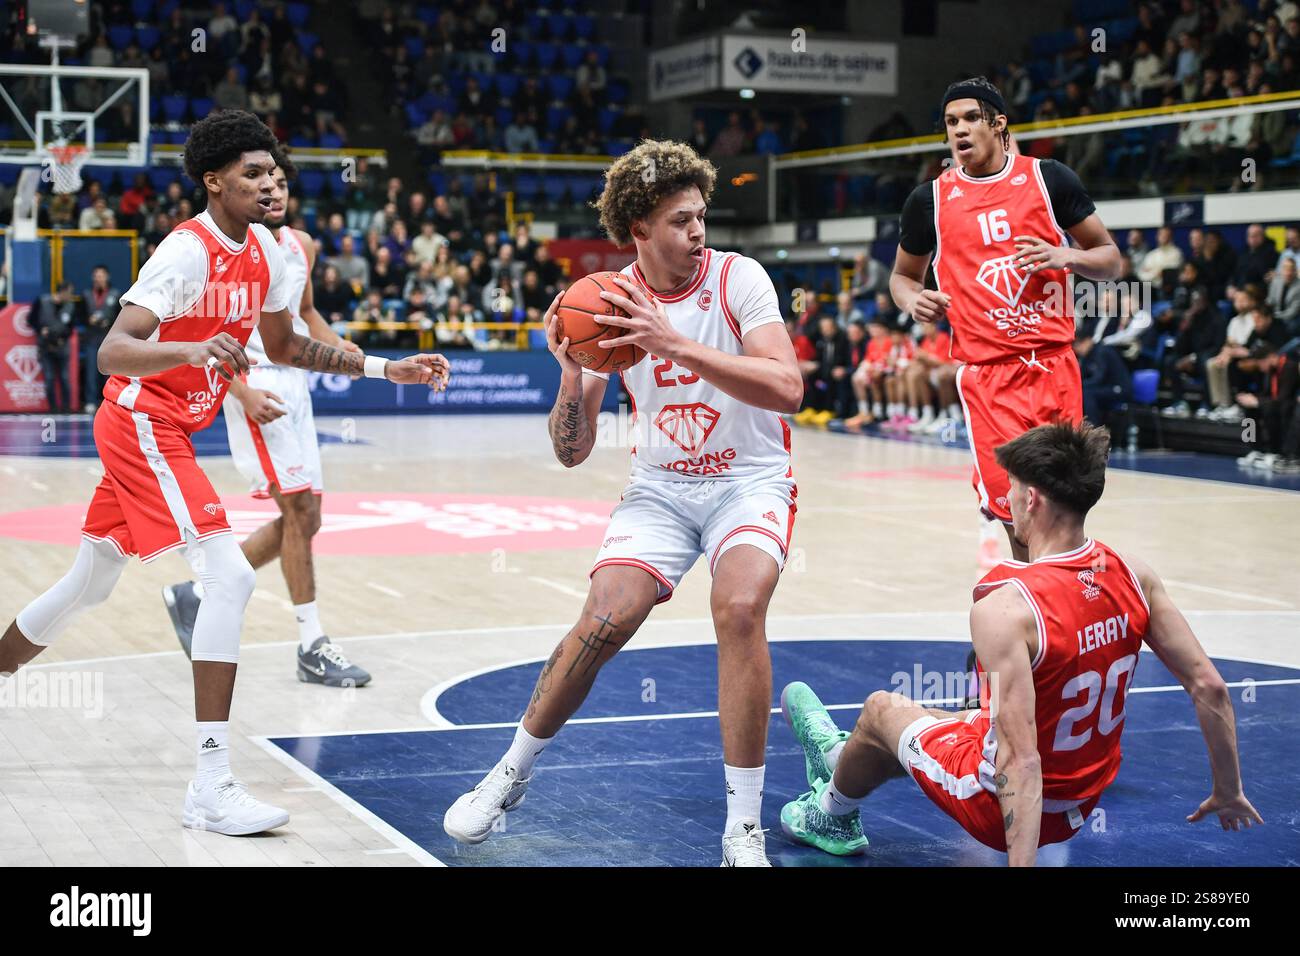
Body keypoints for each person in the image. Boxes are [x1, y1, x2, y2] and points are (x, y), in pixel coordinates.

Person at [0, 109, 449, 836]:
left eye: (275, 171)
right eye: (253, 173)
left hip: (171, 426)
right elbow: (112, 352)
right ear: (214, 182)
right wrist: (190, 350)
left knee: (90, 581)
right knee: (231, 576)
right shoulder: (186, 253)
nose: (271, 183)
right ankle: (210, 783)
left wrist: (381, 365)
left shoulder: (270, 252)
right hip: (142, 420)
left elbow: (288, 343)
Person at [443, 139, 802, 866]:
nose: (697, 231)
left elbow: (787, 386)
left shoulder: (738, 279)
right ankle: (509, 775)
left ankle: (743, 829)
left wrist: (674, 343)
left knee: (738, 608)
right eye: (679, 220)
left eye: (701, 215)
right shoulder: (606, 300)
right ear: (638, 229)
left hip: (749, 480)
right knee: (607, 616)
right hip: (661, 489)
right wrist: (570, 373)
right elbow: (572, 450)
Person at [776, 421, 1262, 864]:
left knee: (882, 709)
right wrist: (1228, 788)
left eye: (1010, 489)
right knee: (961, 719)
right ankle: (840, 757)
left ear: (1033, 500)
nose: (1005, 501)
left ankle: (831, 811)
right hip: (1083, 797)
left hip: (998, 806)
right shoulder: (1134, 574)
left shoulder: (1007, 609)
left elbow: (1021, 761)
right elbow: (1210, 686)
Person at [160, 162, 396, 687]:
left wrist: (338, 346)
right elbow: (212, 329)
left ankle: (196, 594)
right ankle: (311, 643)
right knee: (297, 508)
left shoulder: (301, 246)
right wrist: (239, 392)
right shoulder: (227, 247)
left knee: (307, 519)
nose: (274, 191)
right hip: (253, 380)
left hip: (296, 384)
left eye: (283, 183)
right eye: (265, 182)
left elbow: (305, 313)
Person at [890, 77, 1122, 563]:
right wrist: (913, 301)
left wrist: (1065, 255)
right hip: (988, 373)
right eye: (951, 122)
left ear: (999, 123)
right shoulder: (927, 200)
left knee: (1062, 502)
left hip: (1053, 364)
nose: (960, 129)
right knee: (1015, 507)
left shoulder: (1050, 178)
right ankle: (1030, 607)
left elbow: (1110, 259)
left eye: (971, 118)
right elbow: (902, 277)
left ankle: (1053, 606)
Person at [31, 282, 80, 413]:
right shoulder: (42, 301)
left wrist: (62, 337)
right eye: (69, 293)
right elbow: (31, 319)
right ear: (62, 292)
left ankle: (66, 407)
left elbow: (71, 328)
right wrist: (41, 329)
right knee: (49, 378)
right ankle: (53, 407)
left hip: (62, 346)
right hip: (45, 346)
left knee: (65, 377)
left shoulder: (70, 306)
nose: (71, 296)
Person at [79, 265, 121, 412]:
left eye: (101, 275)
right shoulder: (86, 294)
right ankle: (90, 401)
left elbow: (120, 317)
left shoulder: (115, 295)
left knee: (110, 372)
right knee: (91, 371)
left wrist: (108, 322)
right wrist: (88, 320)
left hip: (109, 339)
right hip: (91, 338)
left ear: (107, 276)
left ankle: (109, 400)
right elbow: (80, 316)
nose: (99, 278)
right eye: (96, 275)